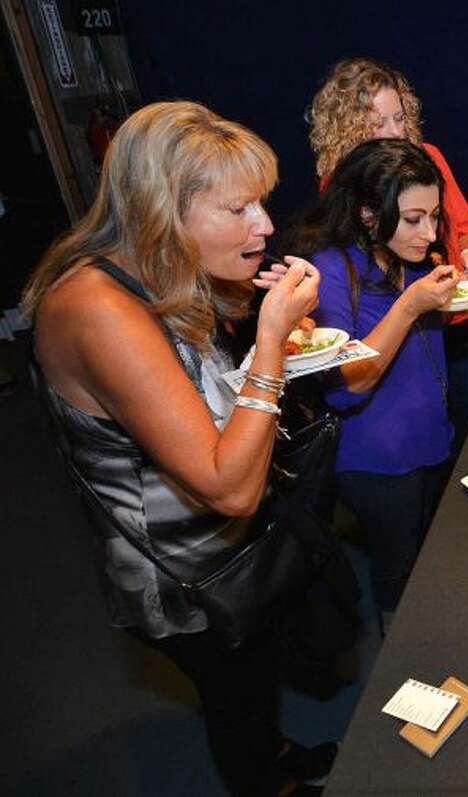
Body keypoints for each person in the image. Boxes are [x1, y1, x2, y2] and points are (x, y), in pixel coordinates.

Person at [22, 101, 333, 796]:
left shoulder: (150, 262)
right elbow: (229, 487)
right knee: (233, 688)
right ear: (163, 209)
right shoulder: (96, 308)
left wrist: (249, 309)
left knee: (251, 680)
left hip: (220, 552)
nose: (264, 225)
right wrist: (274, 342)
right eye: (238, 209)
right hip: (182, 579)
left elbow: (191, 372)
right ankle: (267, 783)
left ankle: (273, 749)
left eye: (261, 204)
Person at [279, 139, 458, 619]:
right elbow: (350, 384)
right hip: (377, 461)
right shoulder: (332, 271)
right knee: (397, 569)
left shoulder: (409, 256)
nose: (429, 232)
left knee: (429, 553)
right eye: (414, 218)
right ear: (367, 213)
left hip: (429, 439)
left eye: (435, 216)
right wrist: (410, 306)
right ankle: (398, 654)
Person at [307, 58, 468, 450]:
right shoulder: (341, 190)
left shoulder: (427, 158)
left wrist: (466, 256)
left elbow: (464, 228)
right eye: (378, 124)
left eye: (399, 118)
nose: (396, 133)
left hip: (450, 322)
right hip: (402, 338)